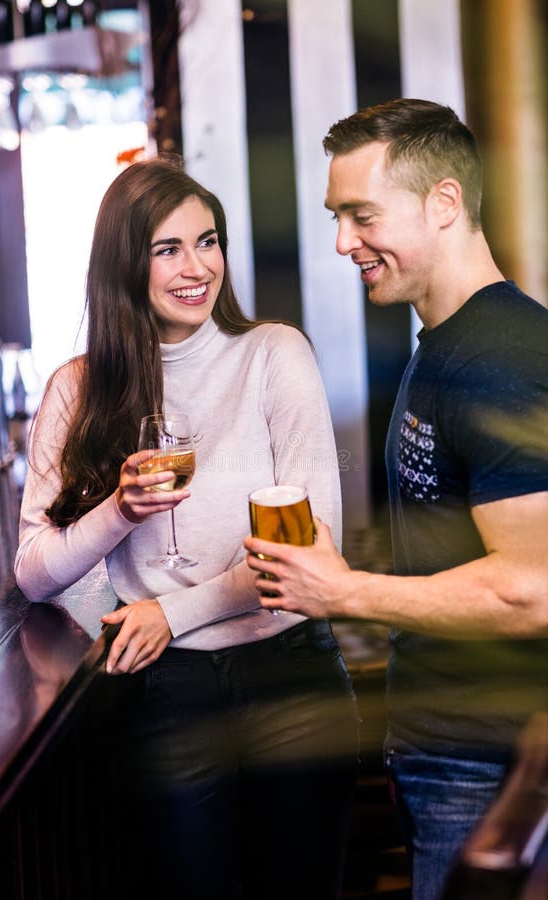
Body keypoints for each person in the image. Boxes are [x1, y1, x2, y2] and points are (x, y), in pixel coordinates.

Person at [14, 157, 358, 900]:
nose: (196, 267)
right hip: (168, 695)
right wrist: (119, 512)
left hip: (291, 675)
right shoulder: (75, 390)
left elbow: (310, 549)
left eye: (208, 241)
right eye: (167, 249)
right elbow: (34, 571)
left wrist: (171, 611)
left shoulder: (274, 354)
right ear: (122, 265)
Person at [244, 98, 548, 900]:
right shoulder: (449, 343)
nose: (344, 241)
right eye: (337, 216)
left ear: (444, 202)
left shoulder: (502, 359)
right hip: (446, 741)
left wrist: (339, 590)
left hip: (487, 756)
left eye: (361, 214)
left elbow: (533, 590)